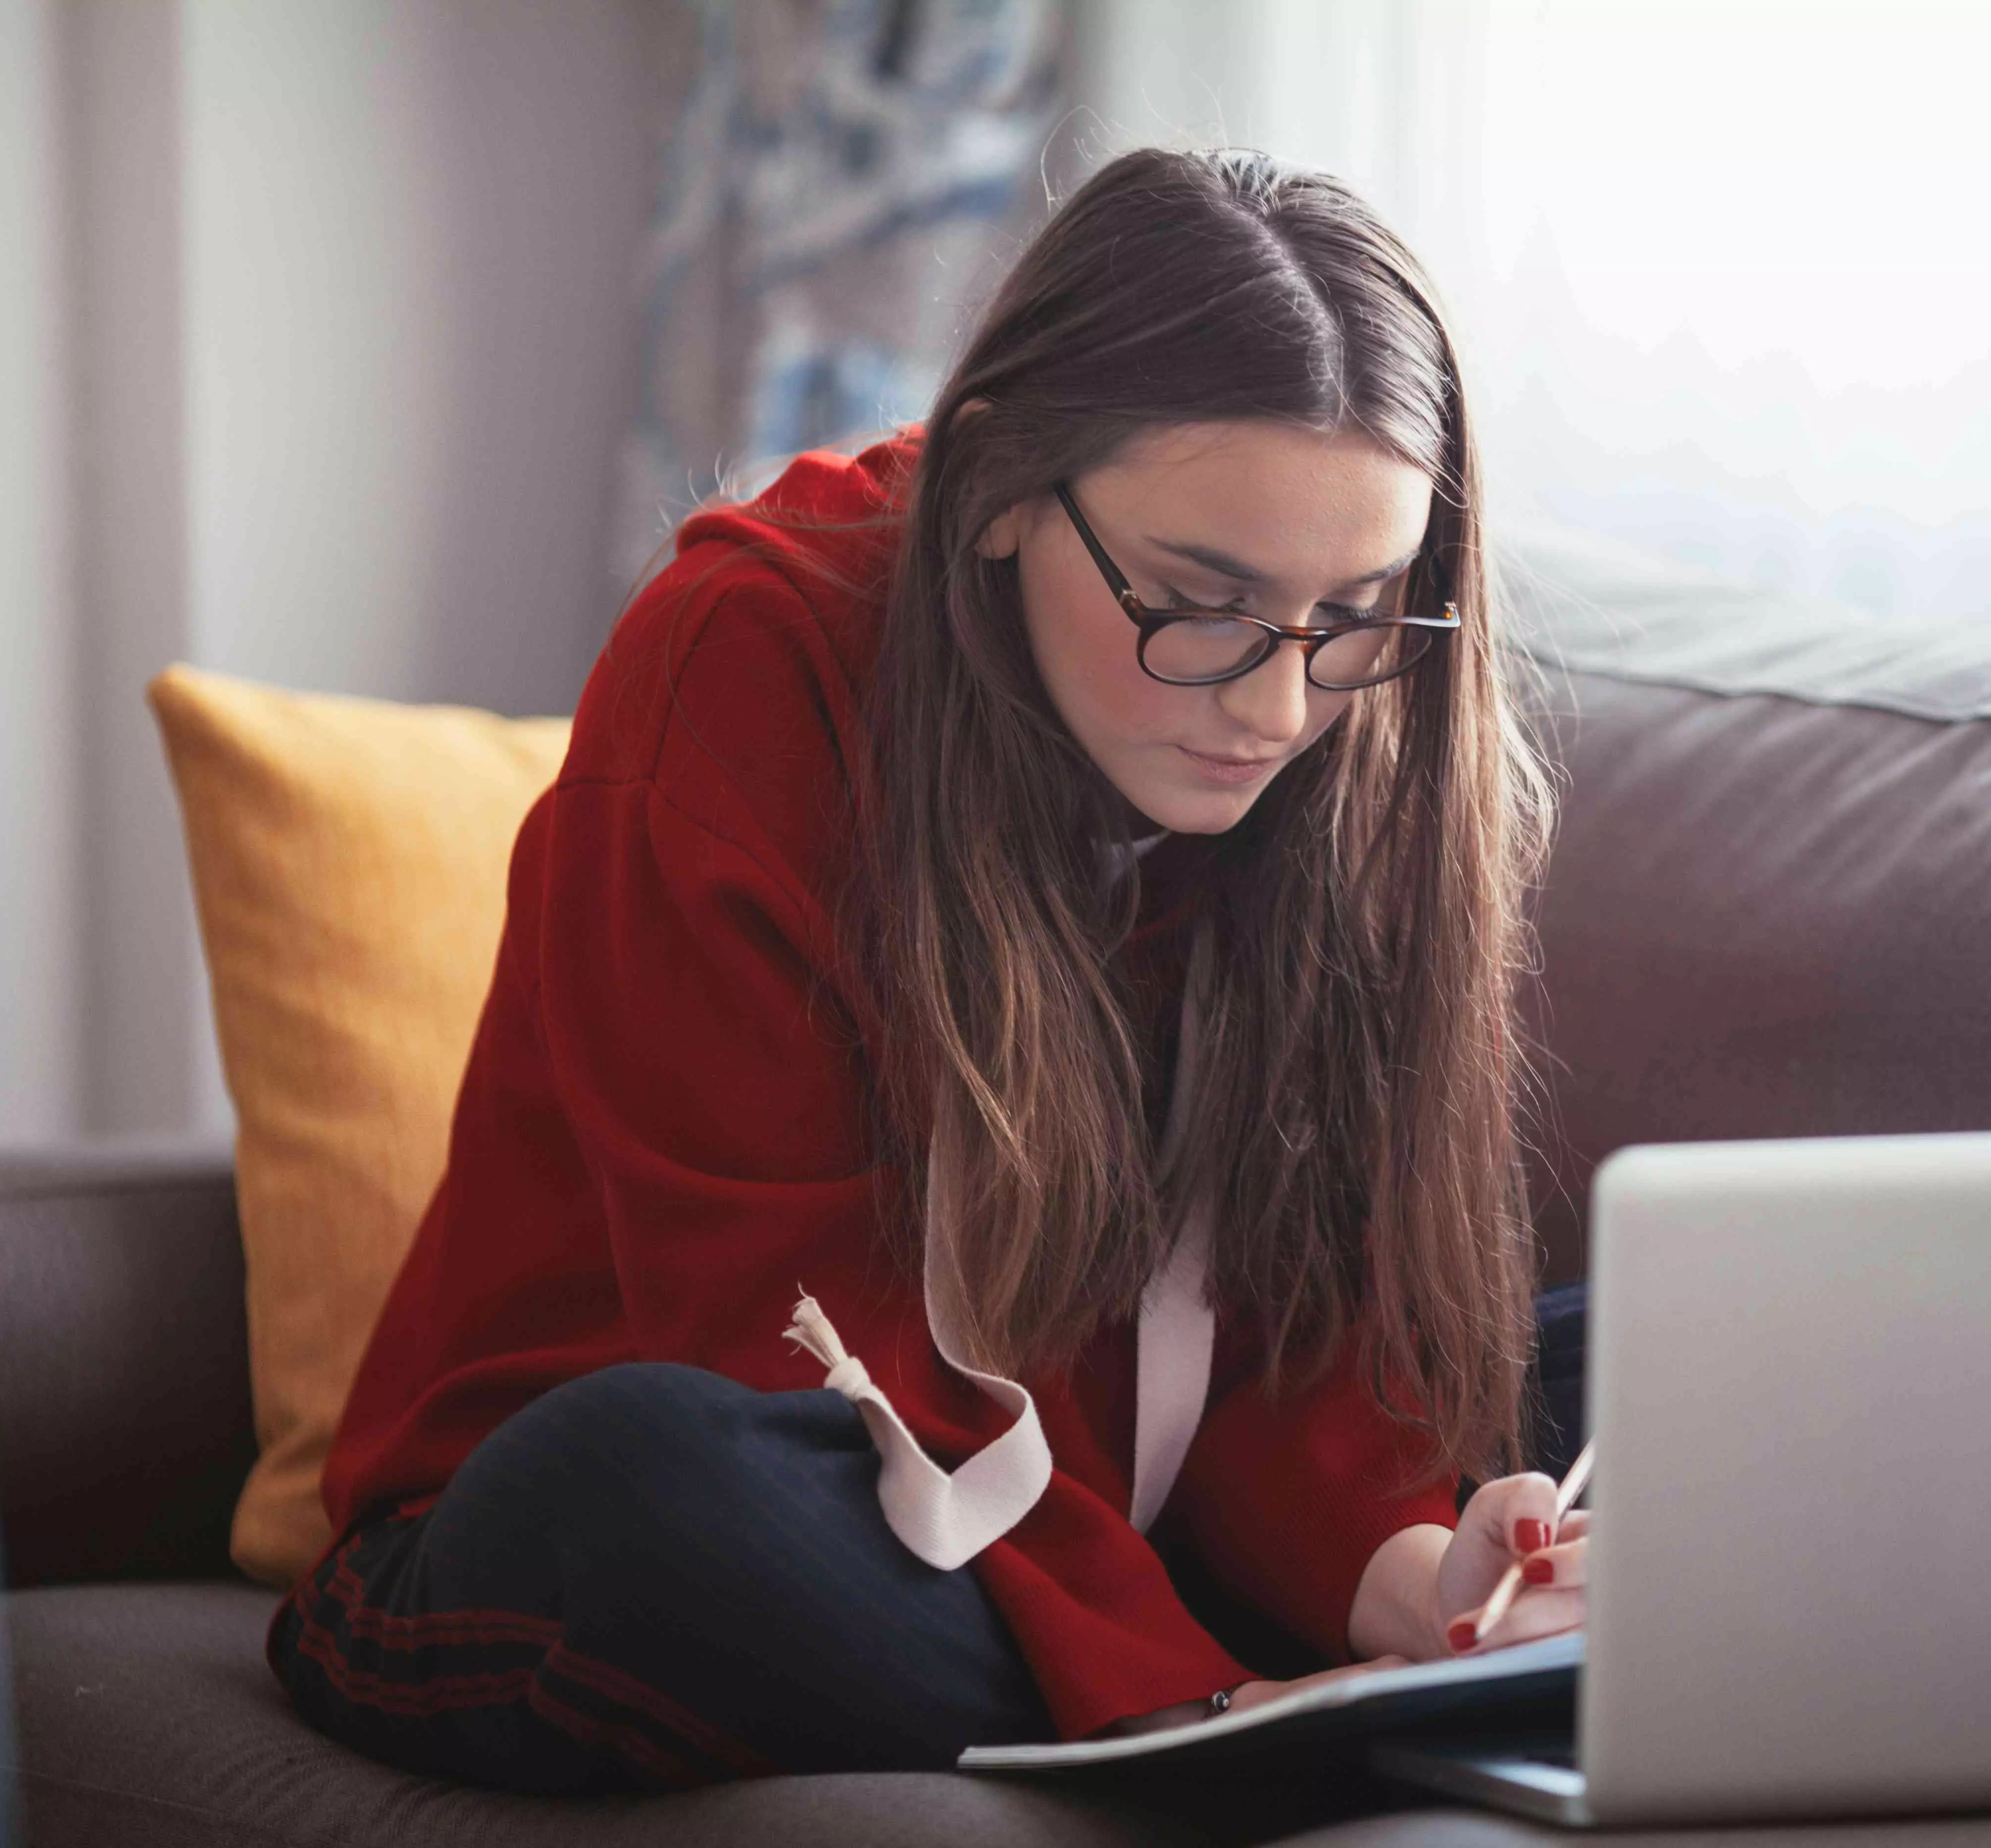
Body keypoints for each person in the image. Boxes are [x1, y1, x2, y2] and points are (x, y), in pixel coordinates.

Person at [268, 146, 1589, 1793]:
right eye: (1202, 603)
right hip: (721, 1484)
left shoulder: (1344, 732)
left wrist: (1417, 1573)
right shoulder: (741, 671)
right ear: (999, 486)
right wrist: (1191, 1700)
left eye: (1358, 611)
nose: (1276, 706)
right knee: (651, 1478)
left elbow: (1280, 1309)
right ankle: (1270, 1731)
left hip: (1089, 1519)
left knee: (1634, 1359)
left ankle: (1419, 1692)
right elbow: (805, 1348)